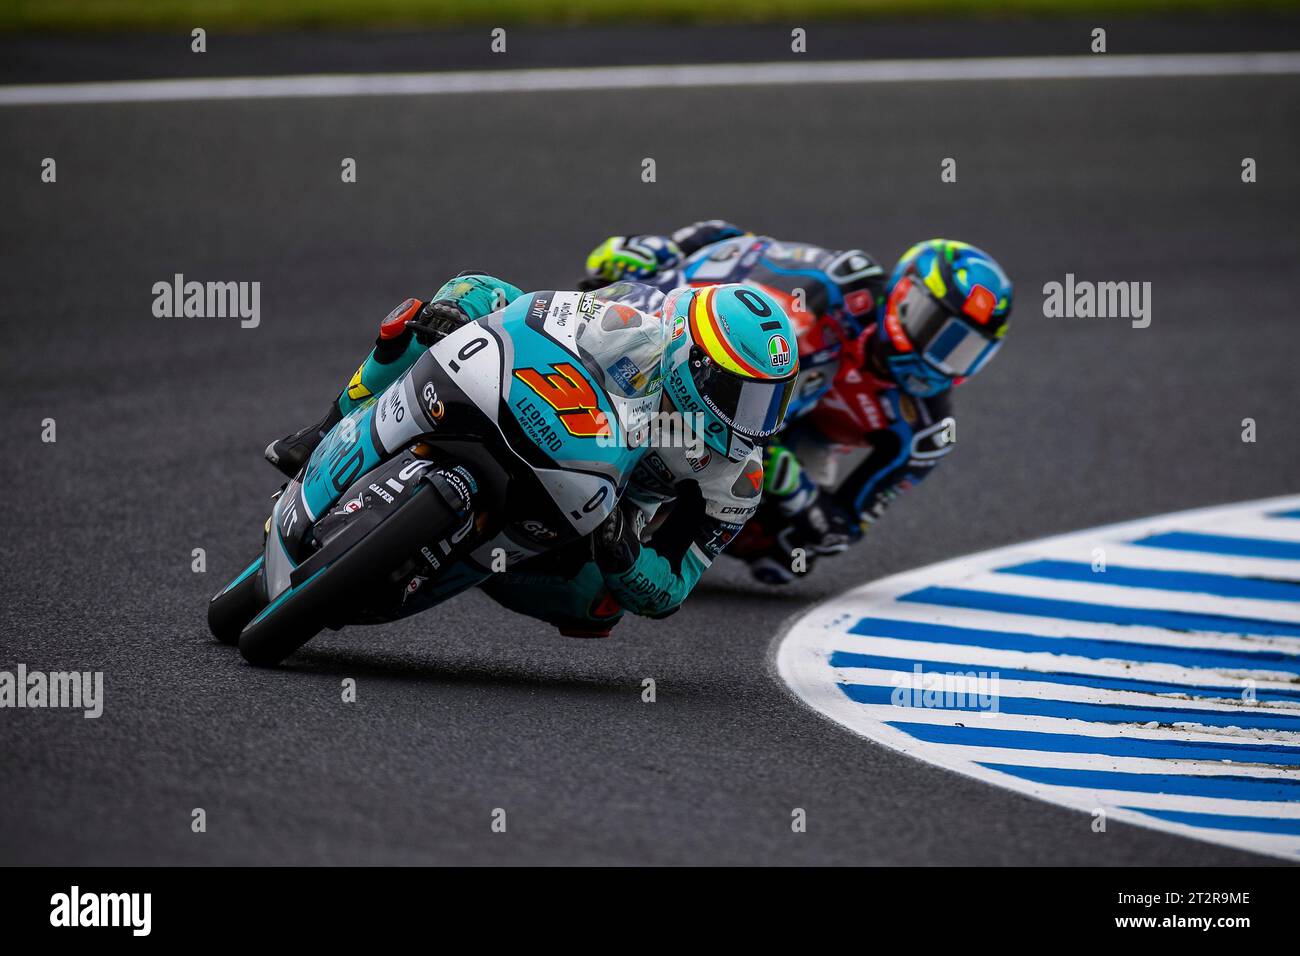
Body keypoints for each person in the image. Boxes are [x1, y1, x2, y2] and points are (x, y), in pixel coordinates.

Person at [265, 271, 799, 634]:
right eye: (743, 397)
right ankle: (326, 427)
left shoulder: (736, 479)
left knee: (600, 608)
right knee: (469, 291)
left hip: (595, 517)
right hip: (550, 408)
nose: (756, 421)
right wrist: (460, 318)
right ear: (692, 359)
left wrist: (629, 557)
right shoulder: (636, 324)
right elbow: (540, 312)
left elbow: (673, 585)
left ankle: (471, 561)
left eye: (773, 399)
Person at [584, 224, 1013, 584]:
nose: (936, 354)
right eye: (933, 326)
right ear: (903, 295)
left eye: (961, 348)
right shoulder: (842, 288)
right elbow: (743, 243)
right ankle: (587, 341)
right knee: (629, 264)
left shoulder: (926, 430)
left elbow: (841, 528)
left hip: (789, 430)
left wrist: (795, 490)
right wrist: (678, 252)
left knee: (789, 554)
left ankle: (665, 531)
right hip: (709, 343)